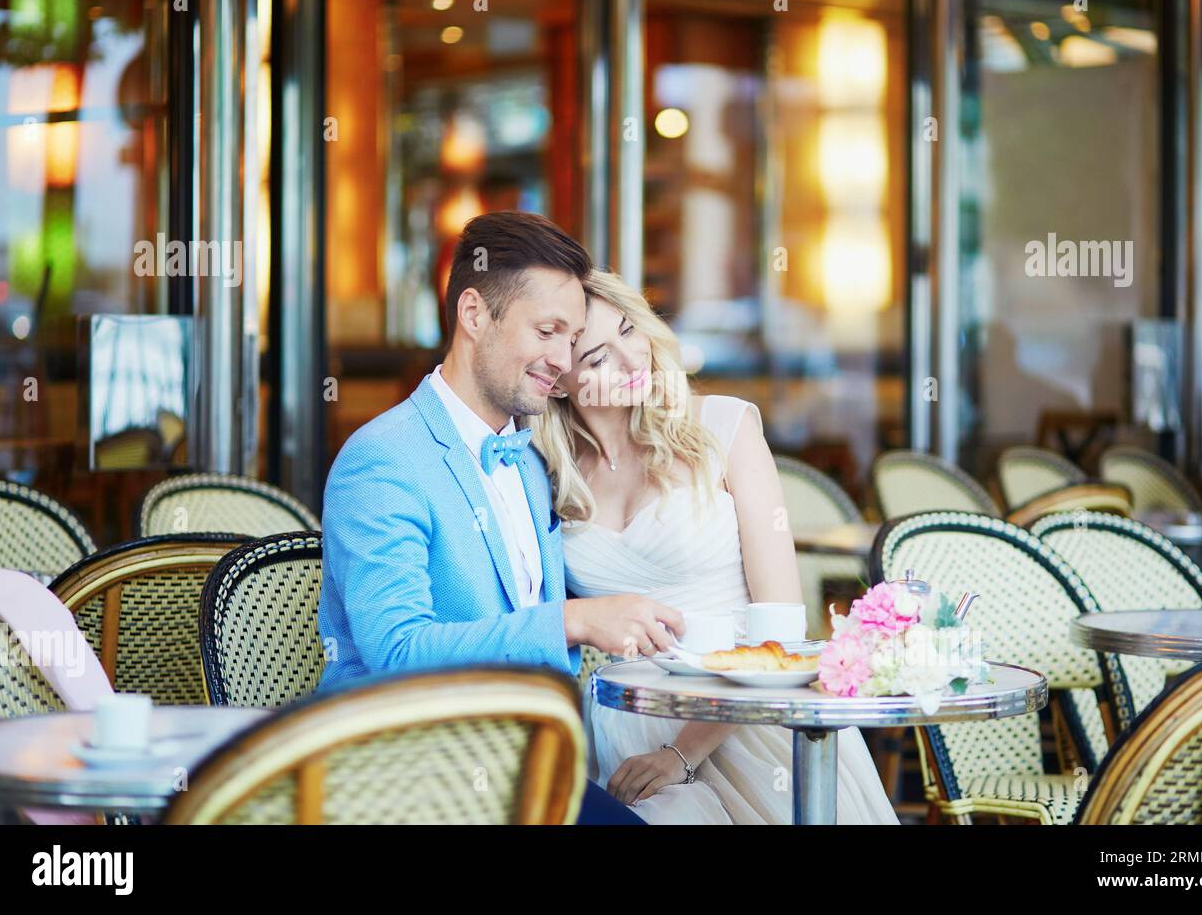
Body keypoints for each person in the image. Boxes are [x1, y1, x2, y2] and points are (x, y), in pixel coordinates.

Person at [318, 211, 683, 824]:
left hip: (525, 770)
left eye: (571, 340)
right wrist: (573, 620)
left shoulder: (533, 459)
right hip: (407, 774)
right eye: (547, 332)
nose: (563, 361)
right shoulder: (383, 459)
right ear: (473, 315)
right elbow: (398, 650)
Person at [529, 270, 899, 824]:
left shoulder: (724, 427)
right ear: (560, 381)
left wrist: (683, 752)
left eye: (631, 330)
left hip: (749, 717)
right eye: (599, 357)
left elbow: (781, 626)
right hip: (626, 725)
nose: (634, 361)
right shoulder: (550, 476)